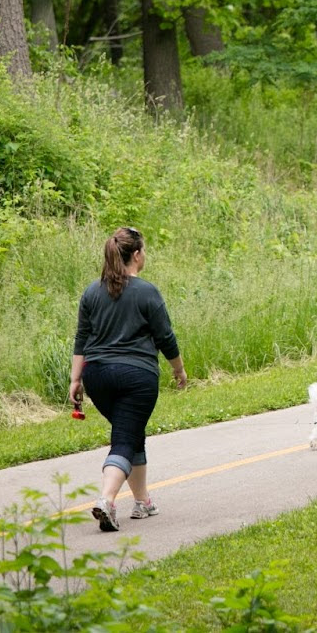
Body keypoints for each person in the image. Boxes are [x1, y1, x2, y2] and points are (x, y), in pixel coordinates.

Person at [70, 226, 187, 531]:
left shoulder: (91, 292)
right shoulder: (147, 291)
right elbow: (165, 336)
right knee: (124, 438)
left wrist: (75, 380)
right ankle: (107, 501)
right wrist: (178, 369)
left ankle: (143, 501)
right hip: (137, 376)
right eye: (144, 251)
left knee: (130, 430)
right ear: (136, 255)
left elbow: (82, 338)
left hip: (97, 376)